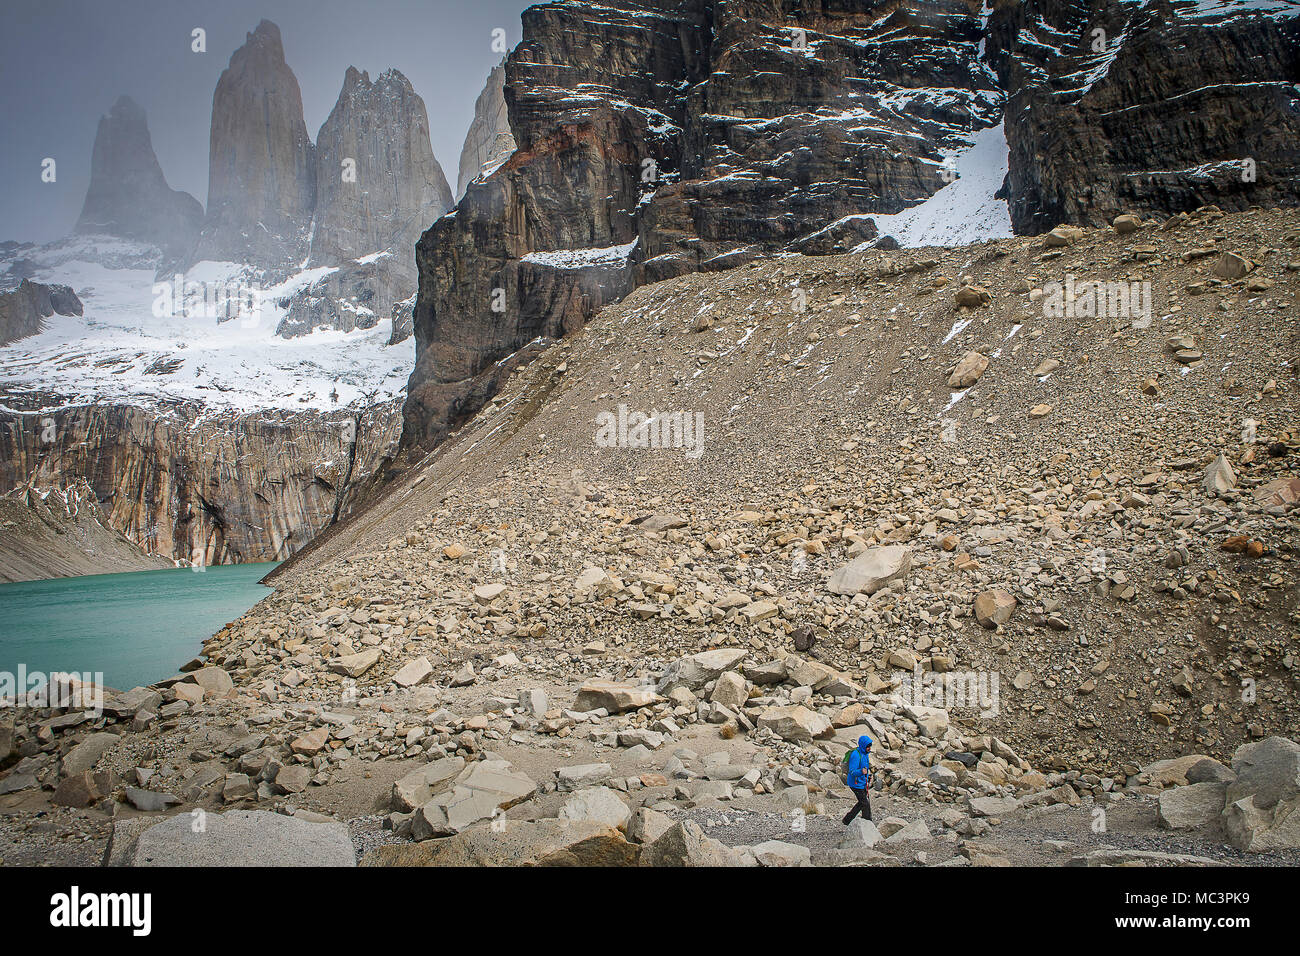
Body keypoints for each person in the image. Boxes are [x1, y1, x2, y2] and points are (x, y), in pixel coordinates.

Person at [842, 734, 873, 825]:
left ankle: (847, 820)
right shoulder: (856, 755)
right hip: (855, 784)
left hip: (862, 782)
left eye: (870, 746)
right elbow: (852, 772)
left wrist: (867, 775)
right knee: (865, 803)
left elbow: (865, 768)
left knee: (862, 802)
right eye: (867, 746)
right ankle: (867, 822)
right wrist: (861, 772)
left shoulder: (865, 753)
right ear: (863, 745)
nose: (869, 748)